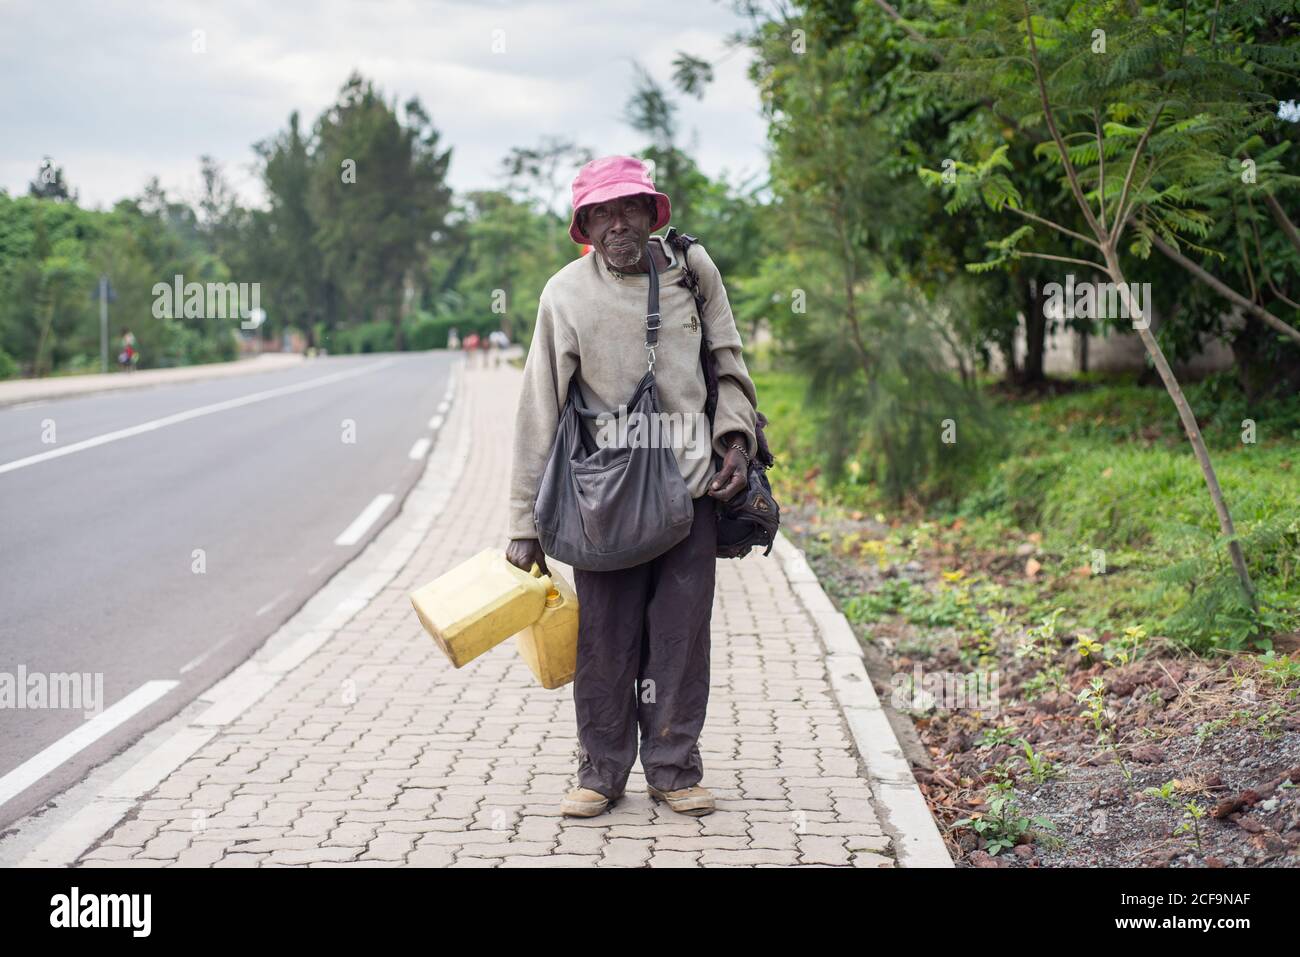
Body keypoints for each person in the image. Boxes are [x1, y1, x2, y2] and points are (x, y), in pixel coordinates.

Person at [505, 155, 759, 819]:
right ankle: (600, 770)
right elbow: (540, 407)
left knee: (680, 638)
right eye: (603, 213)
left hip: (691, 491)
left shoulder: (691, 270)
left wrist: (735, 437)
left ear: (652, 214)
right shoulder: (564, 294)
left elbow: (728, 364)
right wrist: (522, 524)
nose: (619, 224)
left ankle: (675, 769)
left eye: (630, 210)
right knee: (606, 641)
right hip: (603, 501)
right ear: (584, 224)